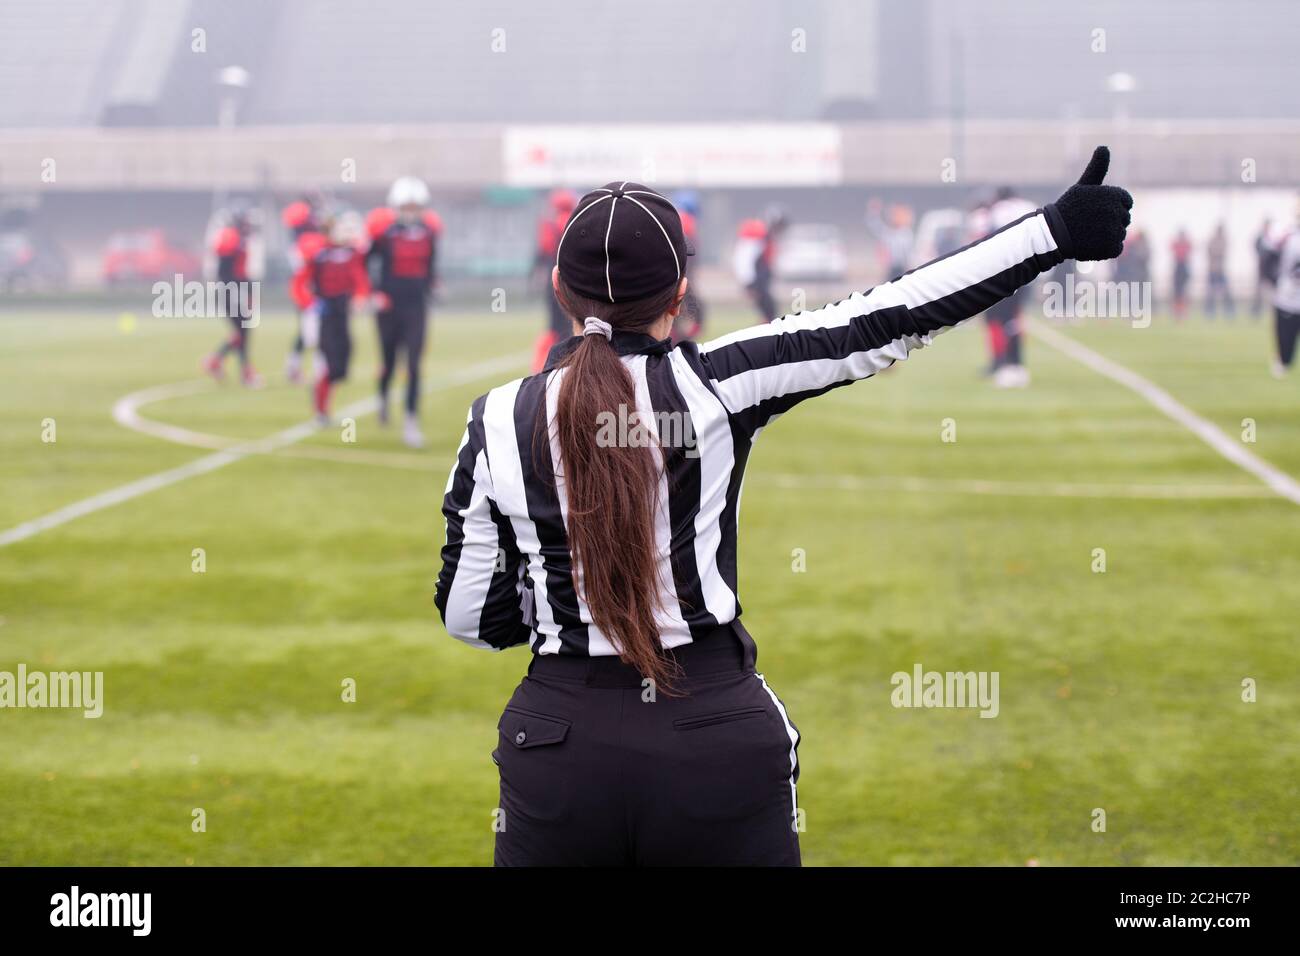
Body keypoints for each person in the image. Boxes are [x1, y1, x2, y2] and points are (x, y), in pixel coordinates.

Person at [435, 149, 1132, 867]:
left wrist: (559, 599)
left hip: (558, 742)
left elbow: (470, 617)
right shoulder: (719, 384)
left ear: (557, 287)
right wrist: (1050, 232)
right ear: (680, 294)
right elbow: (885, 319)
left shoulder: (495, 419)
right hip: (711, 733)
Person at [366, 177, 441, 448]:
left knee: (413, 365)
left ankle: (411, 419)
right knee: (388, 361)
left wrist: (434, 285)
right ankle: (383, 396)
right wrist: (374, 293)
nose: (410, 211)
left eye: (415, 205)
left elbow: (431, 266)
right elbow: (367, 264)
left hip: (416, 306)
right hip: (389, 307)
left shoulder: (429, 234)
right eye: (406, 205)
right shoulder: (385, 235)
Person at [291, 210, 372, 425]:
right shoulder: (318, 253)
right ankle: (321, 409)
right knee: (324, 360)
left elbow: (359, 277)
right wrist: (311, 303)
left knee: (342, 361)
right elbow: (299, 283)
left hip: (341, 311)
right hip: (322, 313)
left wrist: (360, 296)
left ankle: (321, 395)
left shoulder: (351, 253)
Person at [981, 186, 1038, 388]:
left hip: (1004, 272)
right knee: (1013, 320)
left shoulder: (999, 210)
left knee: (1000, 319)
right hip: (1029, 271)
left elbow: (990, 240)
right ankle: (1016, 364)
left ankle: (1006, 365)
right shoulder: (1029, 207)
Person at [202, 206, 262, 387]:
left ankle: (216, 360)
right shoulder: (230, 237)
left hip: (237, 289)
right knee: (242, 331)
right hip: (230, 290)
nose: (248, 226)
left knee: (241, 331)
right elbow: (226, 270)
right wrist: (239, 290)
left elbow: (242, 272)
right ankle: (244, 372)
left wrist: (249, 291)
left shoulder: (239, 240)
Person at [530, 189, 578, 372]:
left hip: (554, 282)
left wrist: (534, 275)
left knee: (553, 326)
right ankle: (571, 361)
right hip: (572, 283)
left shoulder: (551, 225)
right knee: (569, 325)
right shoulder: (574, 223)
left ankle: (545, 363)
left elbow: (543, 252)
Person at [282, 198, 322, 384]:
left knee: (307, 332)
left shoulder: (302, 243)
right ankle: (308, 367)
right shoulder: (303, 244)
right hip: (307, 292)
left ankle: (294, 365)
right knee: (312, 333)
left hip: (305, 291)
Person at [1264, 201, 1300, 378]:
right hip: (1288, 296)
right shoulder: (1286, 235)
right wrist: (1273, 280)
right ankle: (1282, 360)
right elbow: (1267, 255)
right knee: (1285, 344)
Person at [732, 206, 786, 324]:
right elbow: (744, 259)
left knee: (769, 312)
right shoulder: (758, 232)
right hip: (756, 280)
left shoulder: (766, 235)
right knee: (769, 311)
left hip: (761, 279)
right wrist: (748, 283)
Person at [670, 190, 706, 343]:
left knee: (674, 309)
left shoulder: (672, 218)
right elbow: (689, 253)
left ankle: (677, 337)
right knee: (693, 307)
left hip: (670, 274)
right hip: (680, 273)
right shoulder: (687, 222)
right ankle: (684, 337)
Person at [1205, 223, 1235, 319]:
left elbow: (1224, 251)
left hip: (1221, 270)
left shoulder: (1224, 240)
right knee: (1211, 293)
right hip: (1213, 270)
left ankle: (1229, 311)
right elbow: (1211, 251)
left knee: (1226, 292)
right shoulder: (1212, 240)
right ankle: (1210, 312)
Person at [1253, 217, 1275, 318]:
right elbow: (1256, 248)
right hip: (1262, 269)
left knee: (1271, 292)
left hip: (1270, 271)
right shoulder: (1261, 238)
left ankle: (1272, 311)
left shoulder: (1272, 237)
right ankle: (1256, 312)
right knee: (1259, 293)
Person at [1171, 228, 1193, 320]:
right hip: (1178, 267)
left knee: (1183, 293)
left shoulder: (1186, 244)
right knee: (1177, 293)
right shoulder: (1177, 244)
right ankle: (1177, 313)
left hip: (1183, 267)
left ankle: (1183, 312)